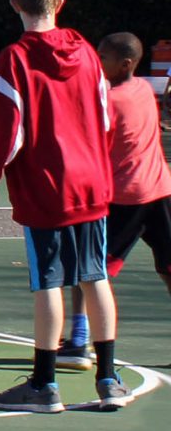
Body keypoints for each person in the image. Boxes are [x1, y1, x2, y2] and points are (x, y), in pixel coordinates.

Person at [0, 0, 127, 411]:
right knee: (94, 277)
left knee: (49, 283)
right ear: (60, 2)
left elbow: (3, 134)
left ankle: (43, 384)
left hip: (47, 190)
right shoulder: (88, 54)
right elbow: (106, 120)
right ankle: (109, 378)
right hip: (91, 184)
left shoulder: (14, 59)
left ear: (15, 4)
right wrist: (95, 163)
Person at [53, 33, 171, 370]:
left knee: (88, 270)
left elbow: (89, 147)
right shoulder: (145, 91)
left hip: (126, 200)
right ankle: (77, 339)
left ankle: (78, 341)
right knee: (168, 269)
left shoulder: (108, 99)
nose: (97, 62)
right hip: (161, 191)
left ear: (126, 64)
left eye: (103, 58)